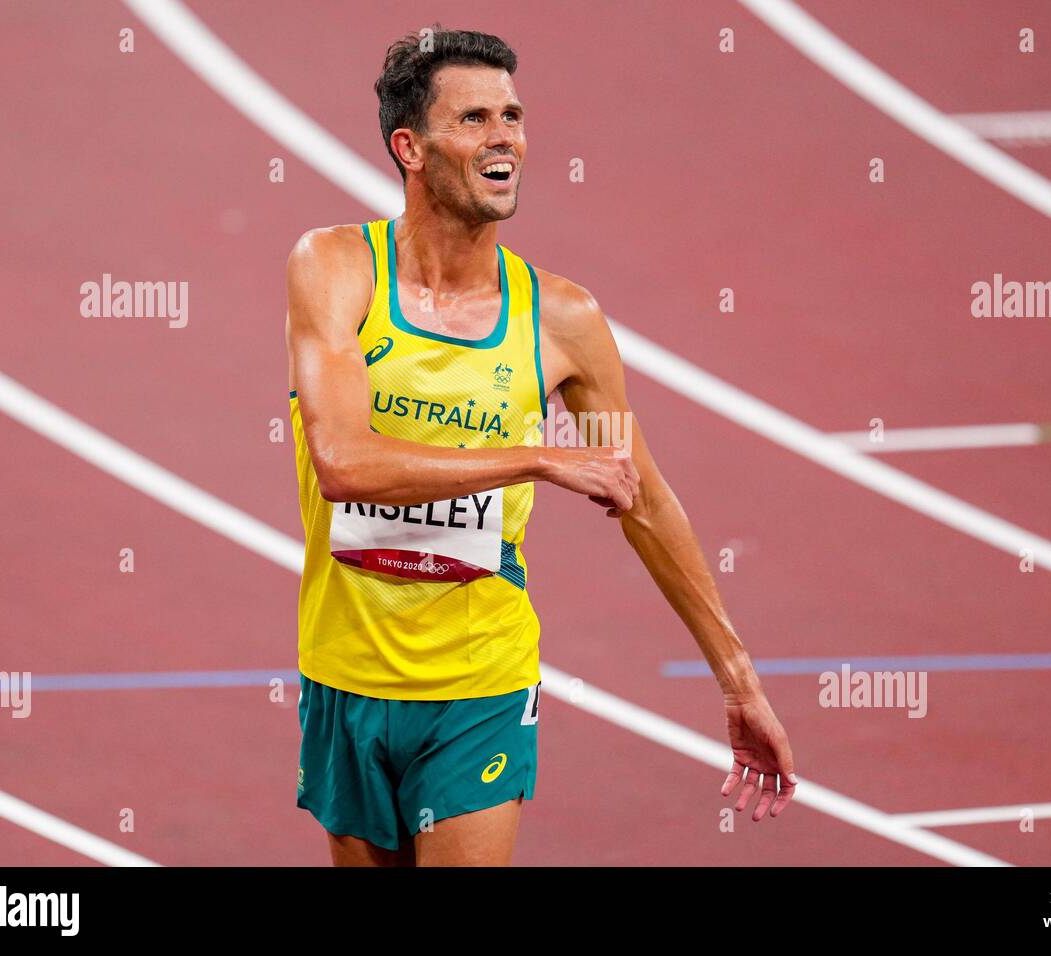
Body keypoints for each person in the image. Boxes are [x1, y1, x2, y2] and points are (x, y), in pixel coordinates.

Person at [284, 27, 795, 866]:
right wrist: (536, 457)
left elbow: (644, 500)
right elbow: (342, 462)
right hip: (344, 675)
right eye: (475, 118)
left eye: (514, 116)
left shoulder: (561, 320)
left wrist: (739, 682)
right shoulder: (339, 269)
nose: (505, 138)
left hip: (480, 683)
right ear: (409, 148)